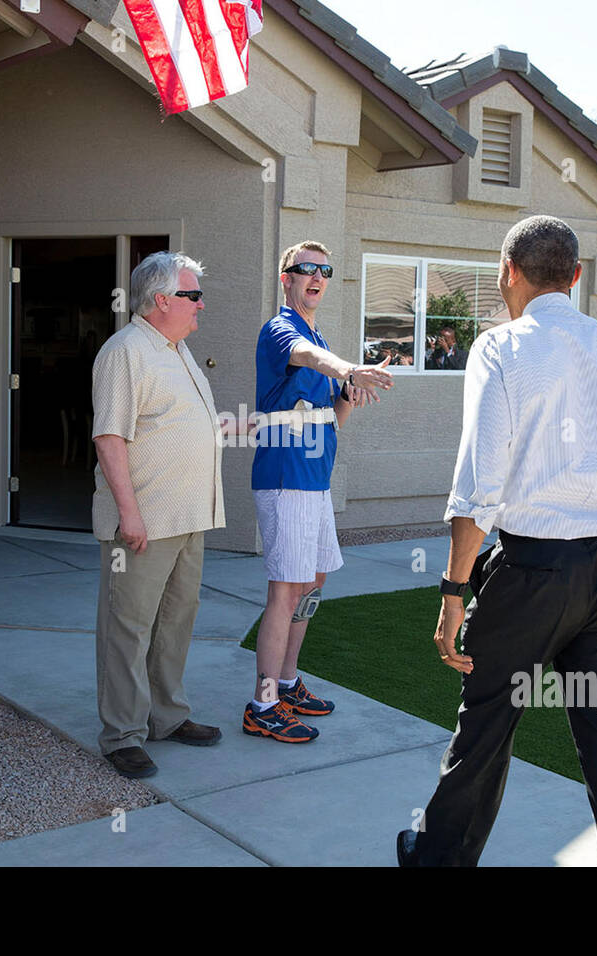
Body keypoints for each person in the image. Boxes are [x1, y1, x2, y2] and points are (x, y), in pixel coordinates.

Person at [397, 215, 597, 866]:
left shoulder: (500, 349)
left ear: (508, 272)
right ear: (577, 277)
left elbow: (479, 487)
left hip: (534, 572)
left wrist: (453, 593)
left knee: (484, 734)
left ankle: (437, 859)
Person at [243, 240, 394, 742]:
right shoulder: (282, 328)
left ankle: (286, 684)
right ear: (286, 277)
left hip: (314, 484)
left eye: (324, 270)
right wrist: (347, 369)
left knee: (313, 583)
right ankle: (261, 704)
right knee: (285, 590)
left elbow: (335, 418)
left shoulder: (318, 333)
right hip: (285, 480)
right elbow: (306, 356)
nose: (316, 276)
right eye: (305, 268)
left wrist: (350, 394)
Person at [90, 251, 225, 779]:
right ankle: (121, 733)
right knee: (128, 627)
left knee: (175, 621)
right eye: (193, 296)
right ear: (162, 300)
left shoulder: (178, 350)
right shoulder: (126, 352)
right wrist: (130, 513)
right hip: (144, 522)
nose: (201, 305)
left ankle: (166, 716)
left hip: (188, 517)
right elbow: (110, 436)